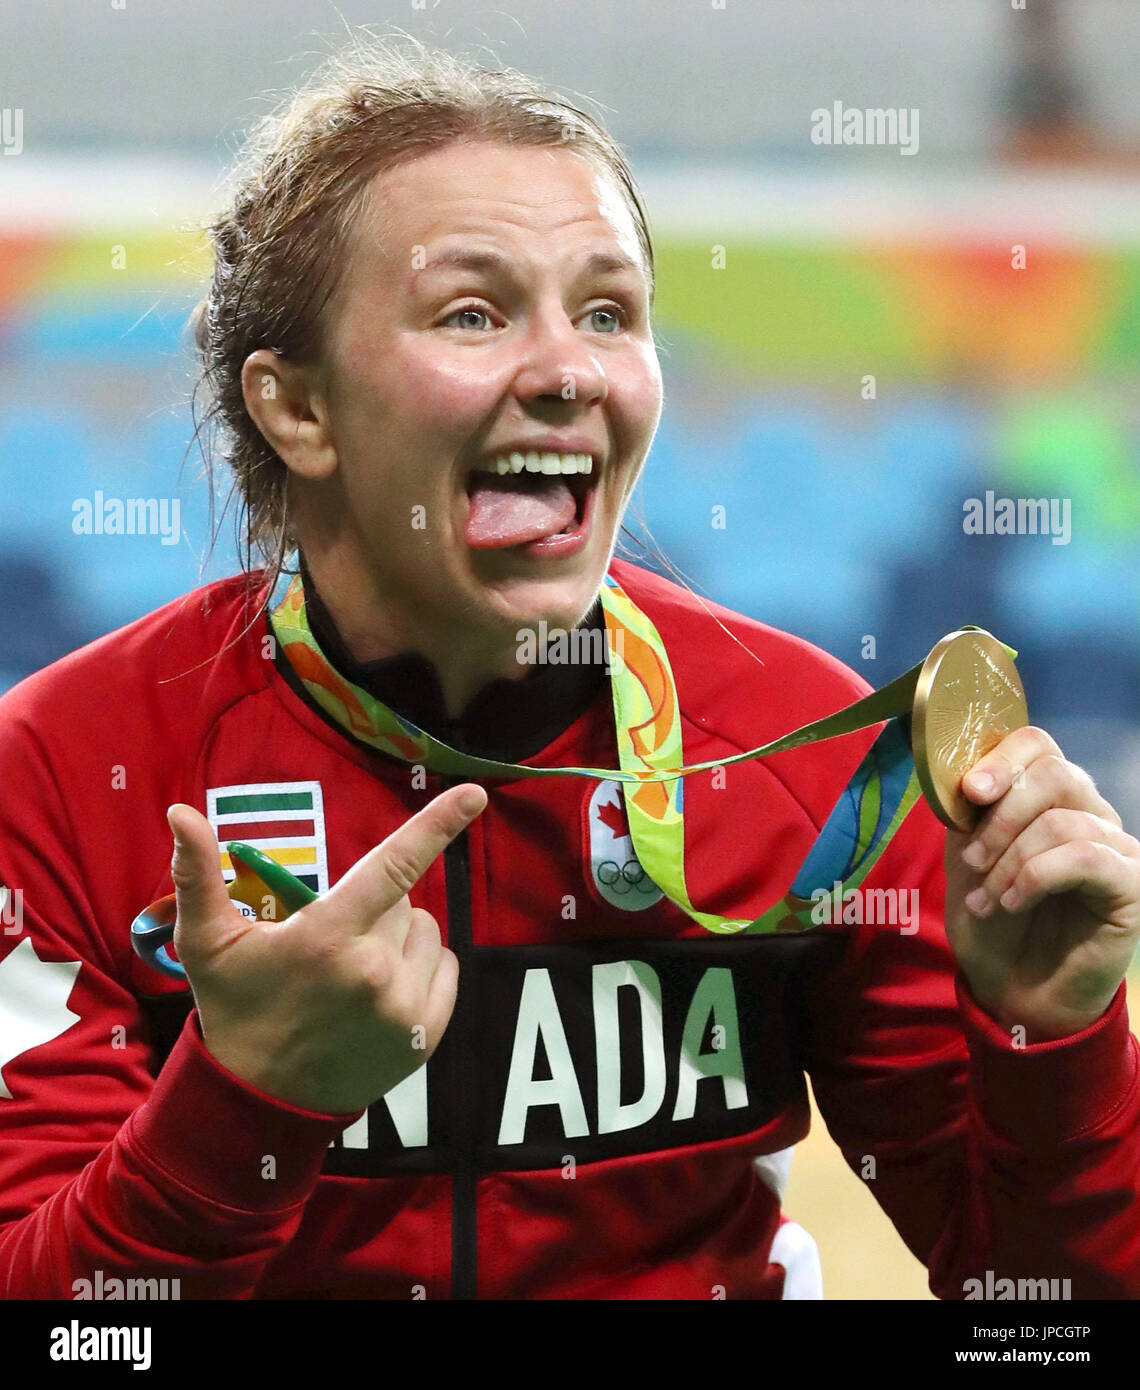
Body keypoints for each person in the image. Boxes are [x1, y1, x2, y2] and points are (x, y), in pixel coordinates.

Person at [0, 35, 1138, 1302]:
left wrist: (1054, 1034)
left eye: (609, 312)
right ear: (297, 408)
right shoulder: (66, 768)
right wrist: (247, 1103)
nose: (568, 371)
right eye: (474, 313)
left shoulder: (811, 753)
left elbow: (1042, 1313)